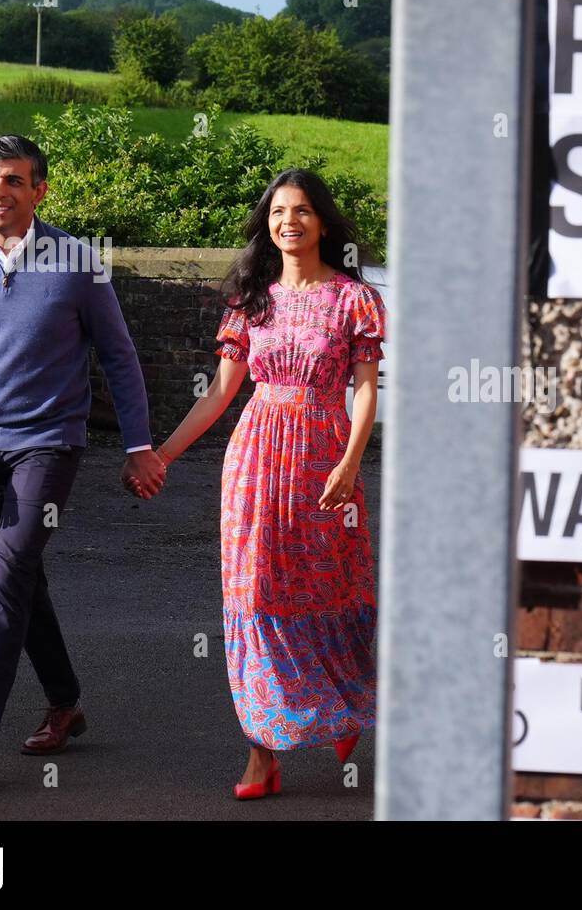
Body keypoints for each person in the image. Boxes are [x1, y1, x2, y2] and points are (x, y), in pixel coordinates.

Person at [0, 135, 166, 784]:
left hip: (51, 442)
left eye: (15, 180)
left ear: (40, 190)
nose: (1, 190)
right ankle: (66, 700)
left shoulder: (78, 263)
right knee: (20, 576)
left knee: (9, 569)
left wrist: (139, 445)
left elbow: (119, 355)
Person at [156, 167, 384, 800]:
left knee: (327, 589)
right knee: (254, 597)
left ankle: (342, 706)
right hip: (255, 461)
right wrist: (164, 455)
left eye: (304, 210)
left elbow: (365, 389)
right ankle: (262, 753)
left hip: (324, 460)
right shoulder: (250, 301)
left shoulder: (352, 299)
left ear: (324, 222)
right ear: (267, 224)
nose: (290, 221)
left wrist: (350, 462)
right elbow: (221, 394)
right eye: (279, 211)